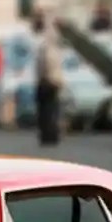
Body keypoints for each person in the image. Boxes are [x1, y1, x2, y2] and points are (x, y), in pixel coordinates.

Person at [33, 16, 64, 147]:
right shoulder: (56, 50)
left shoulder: (45, 48)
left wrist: (42, 78)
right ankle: (52, 135)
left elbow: (43, 66)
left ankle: (47, 135)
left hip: (46, 82)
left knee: (46, 111)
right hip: (54, 82)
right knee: (52, 110)